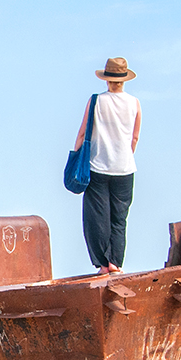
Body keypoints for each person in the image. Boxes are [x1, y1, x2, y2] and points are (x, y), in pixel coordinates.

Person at [72, 57, 141, 274]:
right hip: (125, 168)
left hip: (98, 167)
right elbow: (135, 137)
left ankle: (103, 265)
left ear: (107, 80)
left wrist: (75, 157)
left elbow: (83, 133)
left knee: (97, 219)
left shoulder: (96, 101)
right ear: (124, 79)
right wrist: (124, 157)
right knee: (119, 219)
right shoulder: (135, 103)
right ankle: (116, 263)